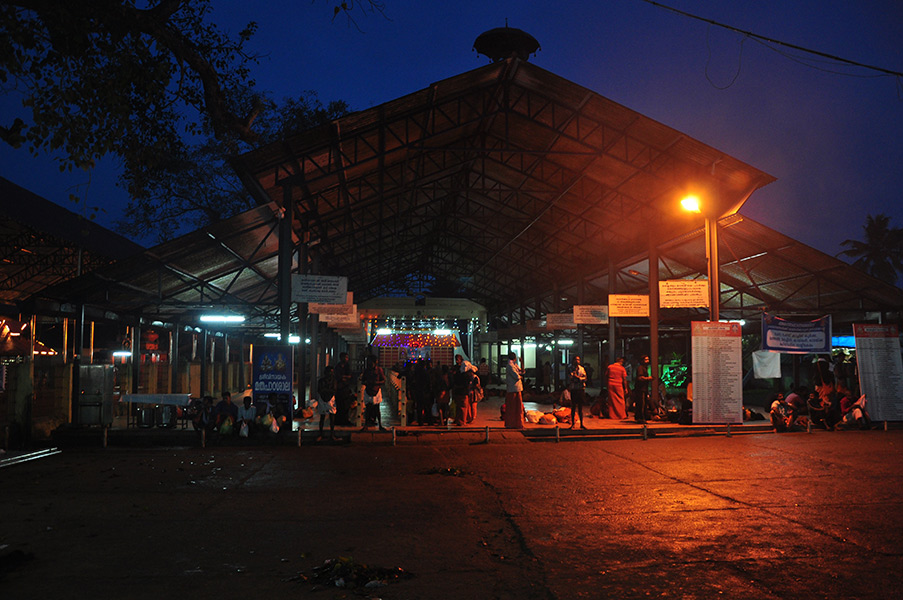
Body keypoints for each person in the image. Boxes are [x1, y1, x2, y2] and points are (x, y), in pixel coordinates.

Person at [360, 355, 387, 431]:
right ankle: (366, 425)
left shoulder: (379, 370)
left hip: (376, 390)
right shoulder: (367, 370)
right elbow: (363, 380)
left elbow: (383, 380)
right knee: (368, 409)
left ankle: (380, 425)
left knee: (377, 409)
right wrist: (367, 382)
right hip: (369, 390)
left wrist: (376, 382)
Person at [452, 354, 478, 425]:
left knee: (459, 407)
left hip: (458, 392)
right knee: (463, 407)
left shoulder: (458, 373)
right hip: (464, 392)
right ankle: (462, 421)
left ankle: (460, 420)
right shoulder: (467, 375)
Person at [505, 351, 526, 429]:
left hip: (517, 388)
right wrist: (520, 377)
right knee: (513, 407)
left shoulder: (514, 365)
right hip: (512, 388)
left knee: (517, 407)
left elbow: (522, 372)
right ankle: (512, 423)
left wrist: (522, 363)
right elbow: (516, 376)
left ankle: (517, 423)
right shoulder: (510, 366)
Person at [316, 365, 338, 441]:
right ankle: (321, 434)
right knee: (322, 417)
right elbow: (320, 390)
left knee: (332, 418)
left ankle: (331, 434)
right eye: (329, 372)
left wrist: (325, 390)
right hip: (324, 399)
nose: (330, 374)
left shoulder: (333, 381)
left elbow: (334, 390)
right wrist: (328, 391)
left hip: (329, 399)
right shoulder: (322, 381)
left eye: (332, 372)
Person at [334, 352, 354, 426]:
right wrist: (345, 377)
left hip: (345, 388)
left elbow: (350, 376)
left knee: (346, 406)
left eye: (347, 357)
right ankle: (338, 421)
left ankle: (345, 420)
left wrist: (344, 377)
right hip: (339, 389)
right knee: (339, 405)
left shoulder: (347, 366)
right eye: (345, 357)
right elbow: (338, 377)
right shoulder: (337, 367)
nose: (346, 359)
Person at [568, 355, 588, 430]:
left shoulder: (582, 369)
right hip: (574, 389)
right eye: (576, 359)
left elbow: (585, 378)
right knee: (573, 407)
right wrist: (580, 378)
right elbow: (572, 378)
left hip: (580, 389)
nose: (577, 361)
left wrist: (578, 378)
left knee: (580, 407)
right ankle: (573, 424)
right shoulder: (570, 368)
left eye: (578, 360)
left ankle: (581, 424)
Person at [634, 356, 653, 423]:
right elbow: (640, 377)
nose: (647, 361)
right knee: (641, 403)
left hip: (644, 388)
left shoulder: (645, 368)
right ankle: (640, 417)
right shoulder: (640, 368)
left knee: (643, 403)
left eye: (648, 359)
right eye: (646, 359)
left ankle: (642, 416)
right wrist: (648, 378)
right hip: (640, 388)